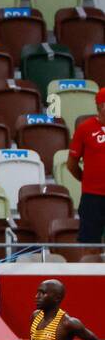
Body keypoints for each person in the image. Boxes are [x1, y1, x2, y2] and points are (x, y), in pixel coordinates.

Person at [66, 87, 105, 243]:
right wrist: (86, 179)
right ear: (100, 106)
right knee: (89, 242)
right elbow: (71, 163)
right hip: (92, 197)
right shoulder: (85, 128)